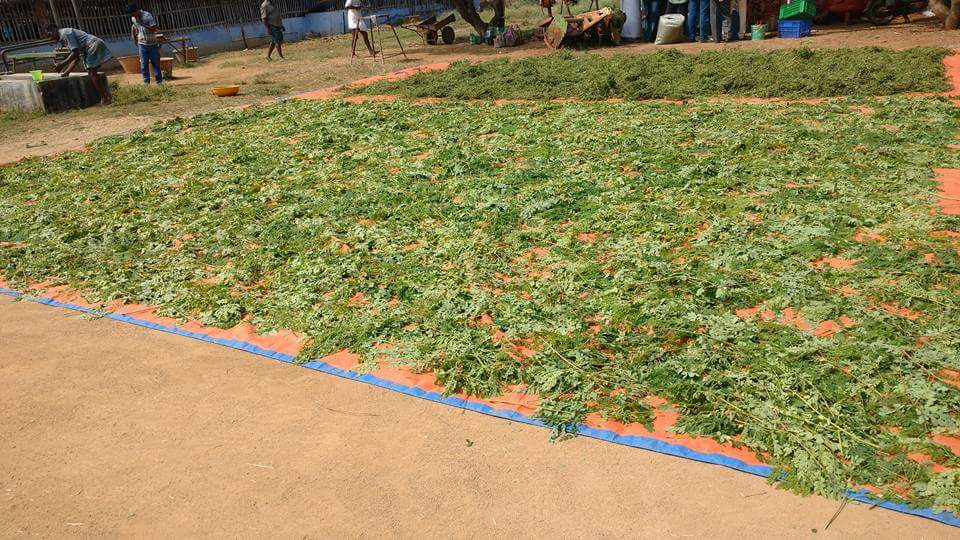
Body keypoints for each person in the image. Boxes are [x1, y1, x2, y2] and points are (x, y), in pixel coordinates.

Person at [47, 24, 112, 105]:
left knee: (92, 72)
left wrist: (62, 64)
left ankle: (105, 98)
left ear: (54, 29)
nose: (51, 38)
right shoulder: (64, 36)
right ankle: (106, 97)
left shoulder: (66, 34)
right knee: (92, 72)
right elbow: (76, 58)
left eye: (50, 35)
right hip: (93, 44)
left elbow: (75, 53)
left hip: (92, 45)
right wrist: (66, 72)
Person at [126, 3, 162, 84]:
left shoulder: (147, 15)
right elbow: (136, 29)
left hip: (152, 44)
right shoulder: (133, 18)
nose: (132, 15)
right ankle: (146, 82)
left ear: (137, 10)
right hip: (142, 44)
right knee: (143, 64)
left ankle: (159, 82)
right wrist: (136, 39)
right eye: (131, 14)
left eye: (133, 13)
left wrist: (141, 23)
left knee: (156, 63)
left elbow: (153, 28)